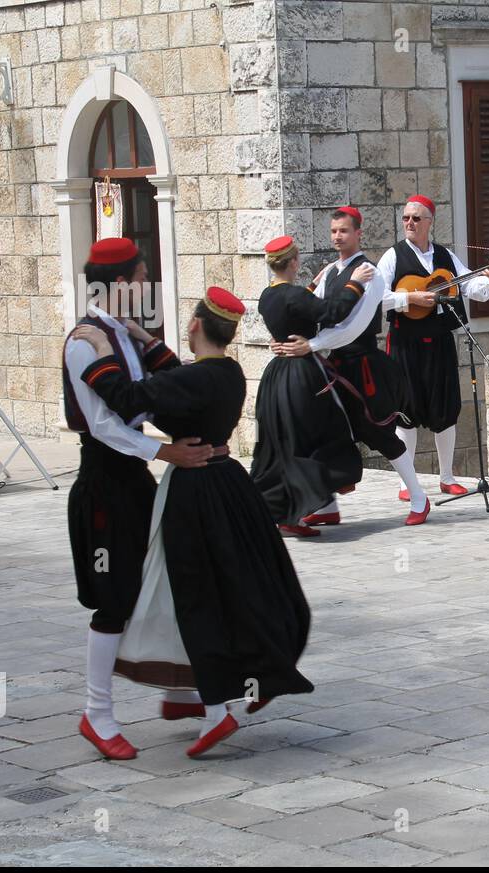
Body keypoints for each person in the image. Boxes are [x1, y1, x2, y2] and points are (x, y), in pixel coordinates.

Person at [72, 288, 314, 756]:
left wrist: (102, 352)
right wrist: (144, 338)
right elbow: (178, 380)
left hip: (193, 491)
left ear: (194, 327)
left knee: (196, 595)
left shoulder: (192, 383)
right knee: (233, 587)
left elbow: (127, 396)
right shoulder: (228, 372)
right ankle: (200, 696)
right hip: (229, 483)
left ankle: (215, 706)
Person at [64, 237, 214, 760]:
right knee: (114, 597)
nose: (147, 286)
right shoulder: (84, 340)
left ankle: (177, 693)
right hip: (104, 483)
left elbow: (156, 390)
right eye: (143, 277)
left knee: (163, 576)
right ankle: (96, 714)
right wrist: (164, 451)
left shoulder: (125, 335)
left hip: (132, 480)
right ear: (123, 283)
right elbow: (104, 425)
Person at [251, 235, 384, 536]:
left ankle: (312, 508)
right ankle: (301, 509)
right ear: (294, 262)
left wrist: (312, 286)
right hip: (301, 374)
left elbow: (293, 309)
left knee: (284, 440)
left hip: (276, 377)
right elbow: (333, 312)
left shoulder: (267, 296)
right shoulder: (295, 295)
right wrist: (356, 283)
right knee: (323, 433)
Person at [310, 206, 431, 525]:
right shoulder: (330, 273)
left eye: (344, 231)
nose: (338, 236)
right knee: (328, 431)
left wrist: (313, 346)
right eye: (334, 231)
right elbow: (318, 312)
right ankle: (327, 505)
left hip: (364, 367)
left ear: (358, 233)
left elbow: (354, 325)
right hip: (336, 366)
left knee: (379, 433)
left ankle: (418, 497)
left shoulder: (371, 273)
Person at [376, 194, 489, 498]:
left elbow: (474, 290)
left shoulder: (445, 256)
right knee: (406, 409)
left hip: (440, 341)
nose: (409, 222)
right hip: (405, 342)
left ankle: (447, 476)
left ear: (430, 222)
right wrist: (410, 299)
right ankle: (406, 483)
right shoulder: (393, 257)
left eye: (416, 218)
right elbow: (376, 299)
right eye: (406, 217)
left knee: (446, 406)